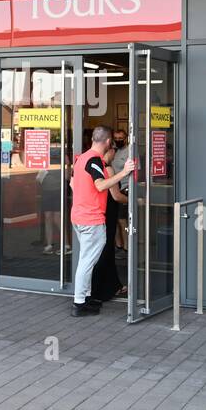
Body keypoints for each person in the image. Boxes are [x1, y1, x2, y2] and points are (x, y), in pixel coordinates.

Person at [69, 125, 135, 316]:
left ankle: (86, 299)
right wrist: (123, 173)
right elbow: (99, 186)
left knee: (87, 259)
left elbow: (73, 184)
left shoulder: (81, 158)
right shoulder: (95, 160)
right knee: (87, 261)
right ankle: (79, 303)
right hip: (91, 219)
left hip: (79, 216)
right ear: (107, 142)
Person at [91, 142, 130, 302]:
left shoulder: (95, 166)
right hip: (109, 212)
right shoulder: (108, 168)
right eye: (114, 150)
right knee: (106, 250)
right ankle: (102, 289)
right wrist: (133, 201)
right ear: (111, 151)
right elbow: (116, 195)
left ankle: (113, 285)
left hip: (101, 211)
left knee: (105, 250)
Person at [108, 128, 130, 255]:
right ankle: (118, 245)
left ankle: (127, 246)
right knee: (114, 219)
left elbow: (137, 171)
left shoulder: (130, 151)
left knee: (122, 220)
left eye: (121, 139)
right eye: (116, 139)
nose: (118, 141)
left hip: (125, 188)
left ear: (126, 138)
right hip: (113, 188)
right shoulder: (112, 151)